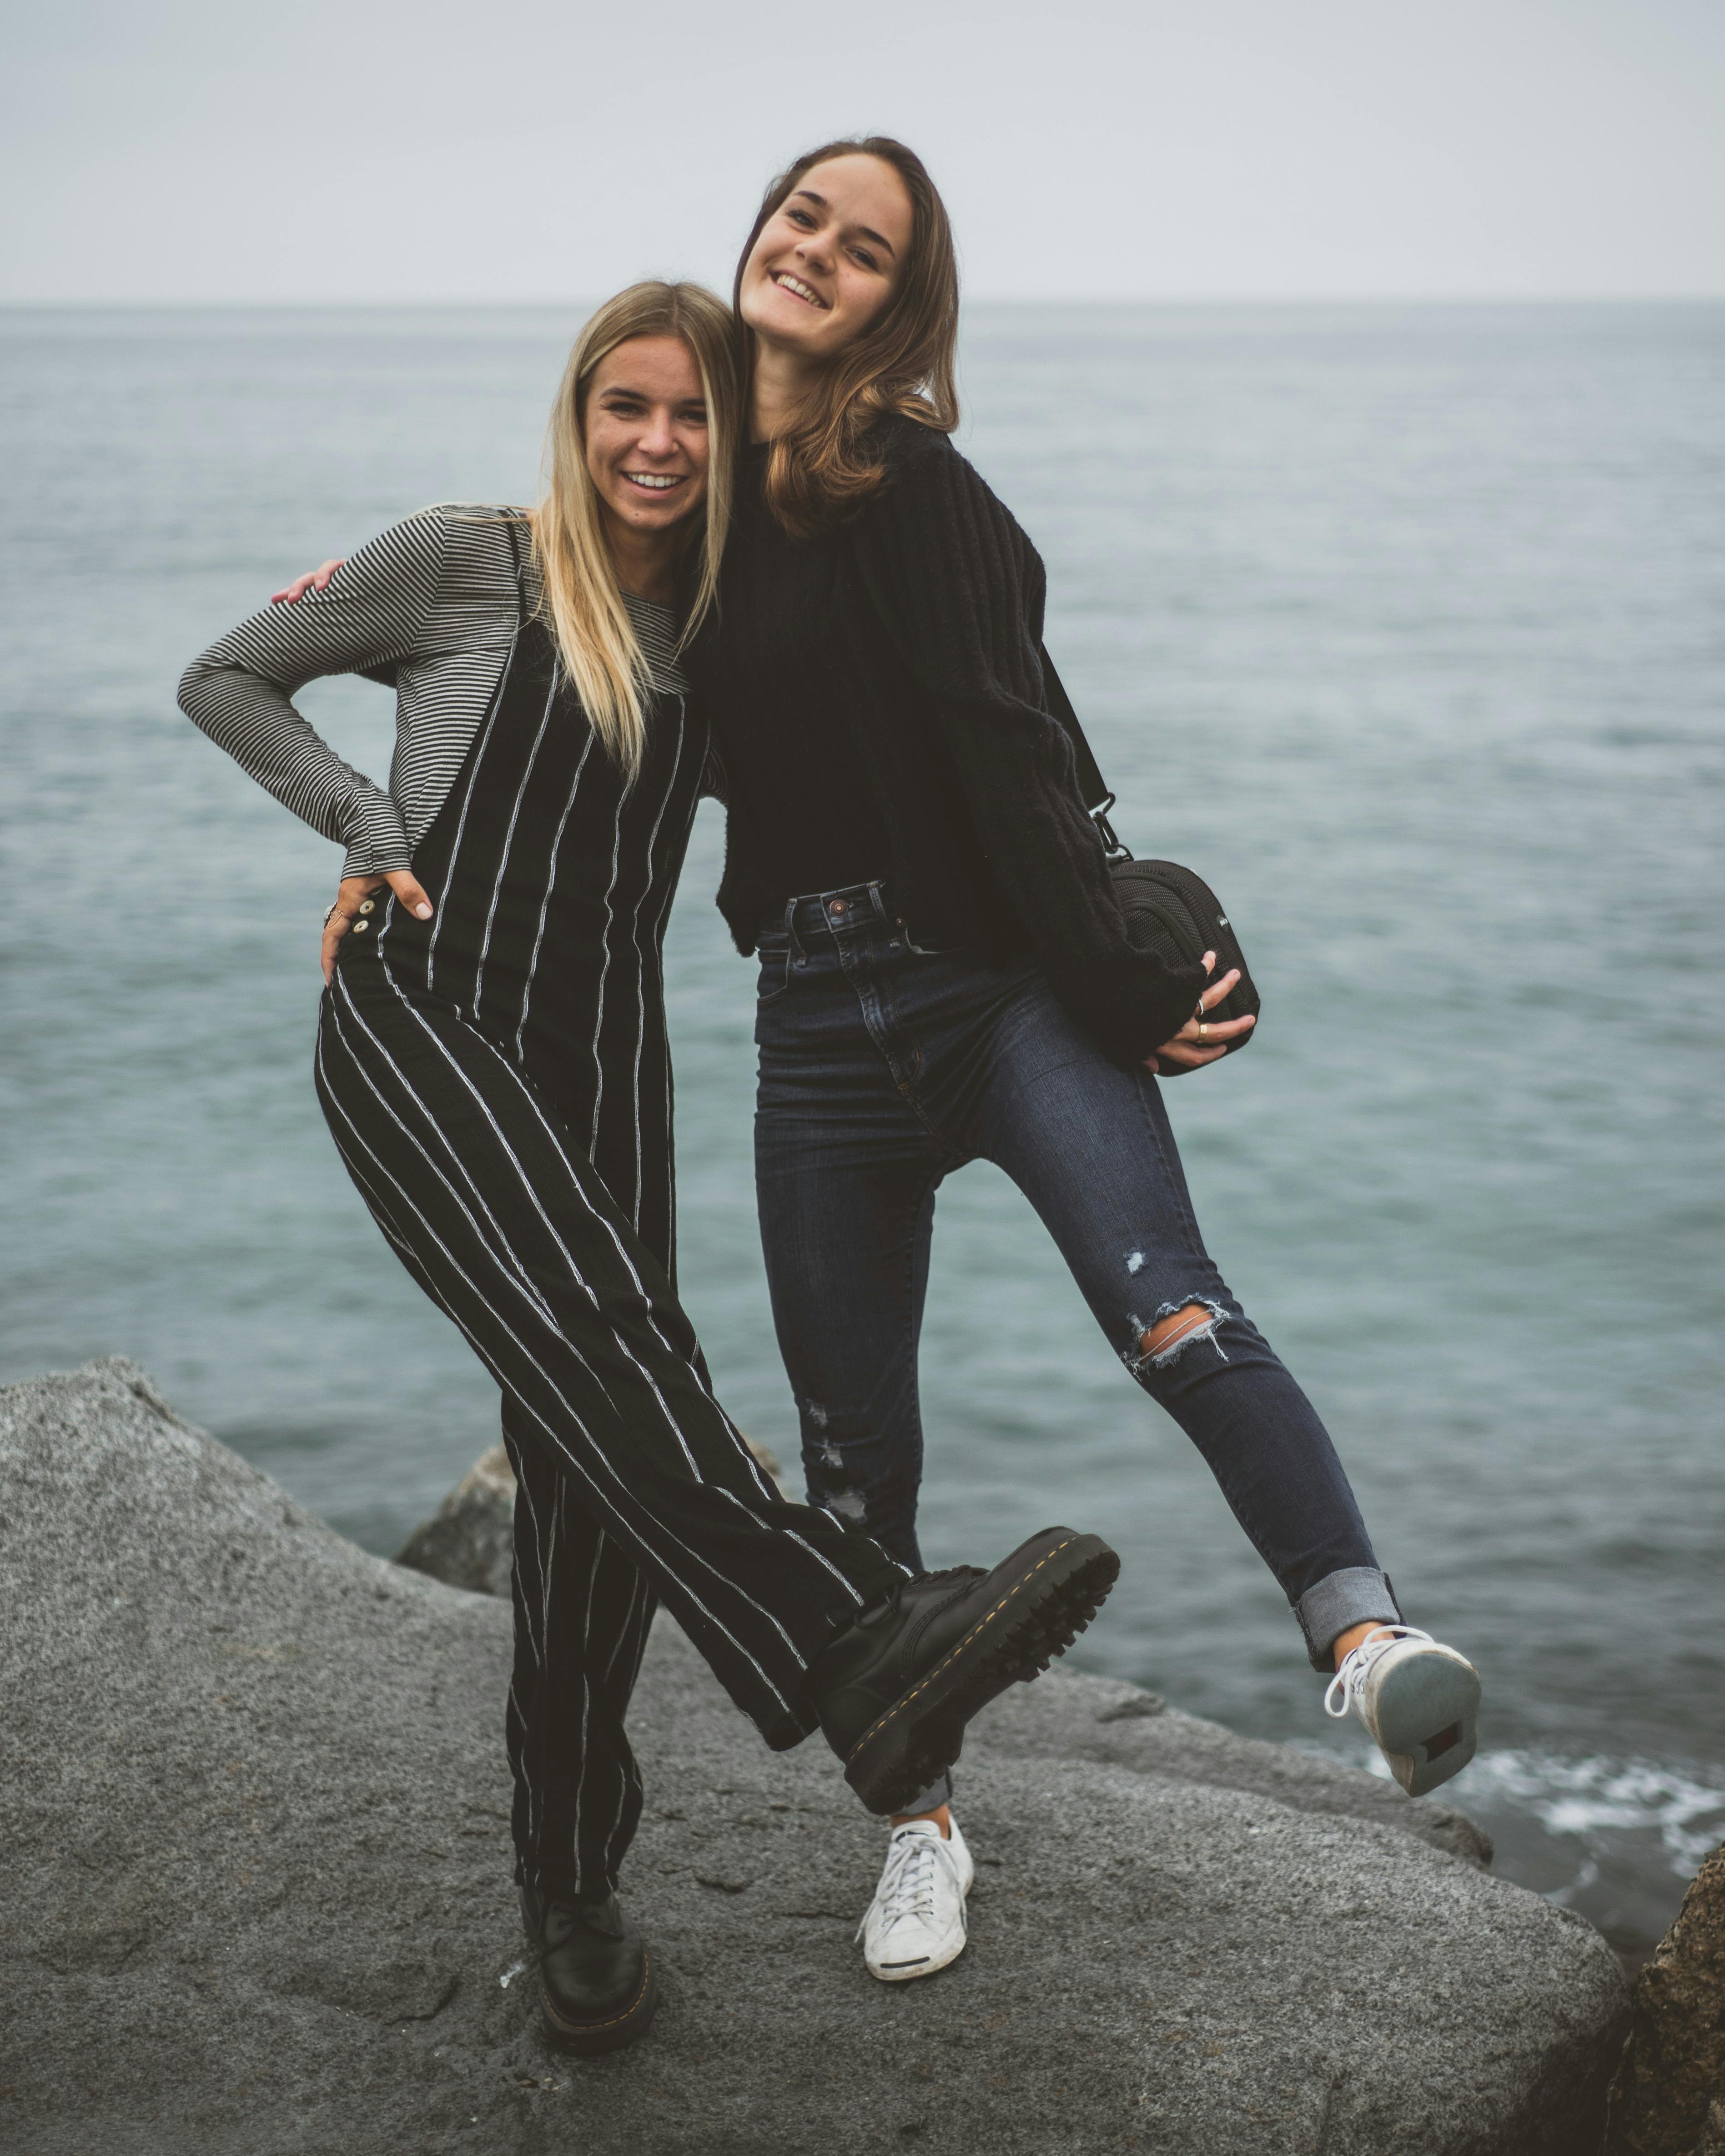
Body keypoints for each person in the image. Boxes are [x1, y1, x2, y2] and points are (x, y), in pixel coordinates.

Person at [273, 144, 1484, 1992]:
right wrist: (382, 798)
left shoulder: (917, 491)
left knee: (1168, 1309)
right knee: (853, 1453)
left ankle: (1366, 1643)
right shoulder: (700, 517)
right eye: (799, 219)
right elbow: (553, 619)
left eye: (865, 247)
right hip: (809, 1023)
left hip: (997, 988)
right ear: (754, 236)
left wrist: (1121, 965)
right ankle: (916, 1828)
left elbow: (1021, 747)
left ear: (899, 305)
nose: (816, 253)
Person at [176, 279, 1120, 2056]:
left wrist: (1100, 928)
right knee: (613, 1352)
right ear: (580, 409)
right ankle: (858, 1641)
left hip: (610, 1072)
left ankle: (572, 1882)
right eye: (629, 406)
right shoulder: (470, 560)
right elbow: (226, 672)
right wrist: (366, 830)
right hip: (425, 1019)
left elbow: (915, 751)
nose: (660, 443)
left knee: (604, 1473)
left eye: (693, 415)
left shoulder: (720, 628)